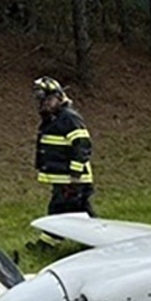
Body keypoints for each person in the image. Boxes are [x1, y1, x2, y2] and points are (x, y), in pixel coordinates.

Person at [26, 76, 96, 251]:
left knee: (59, 209)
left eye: (48, 100)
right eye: (42, 101)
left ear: (59, 97)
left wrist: (75, 173)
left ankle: (48, 244)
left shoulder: (68, 118)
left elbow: (82, 145)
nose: (44, 104)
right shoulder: (54, 119)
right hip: (65, 177)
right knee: (80, 211)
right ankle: (96, 242)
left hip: (72, 179)